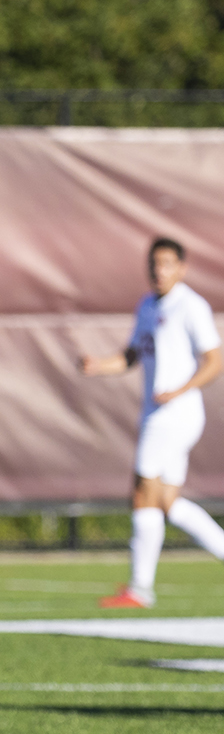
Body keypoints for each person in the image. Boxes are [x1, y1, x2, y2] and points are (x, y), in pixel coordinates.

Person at [80, 238, 224, 607]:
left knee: (143, 492)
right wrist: (98, 365)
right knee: (167, 502)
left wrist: (180, 389)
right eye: (154, 264)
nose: (159, 271)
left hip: (174, 415)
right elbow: (130, 355)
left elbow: (214, 360)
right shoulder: (146, 306)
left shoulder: (191, 306)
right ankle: (142, 586)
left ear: (181, 268)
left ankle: (140, 588)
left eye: (167, 264)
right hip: (157, 413)